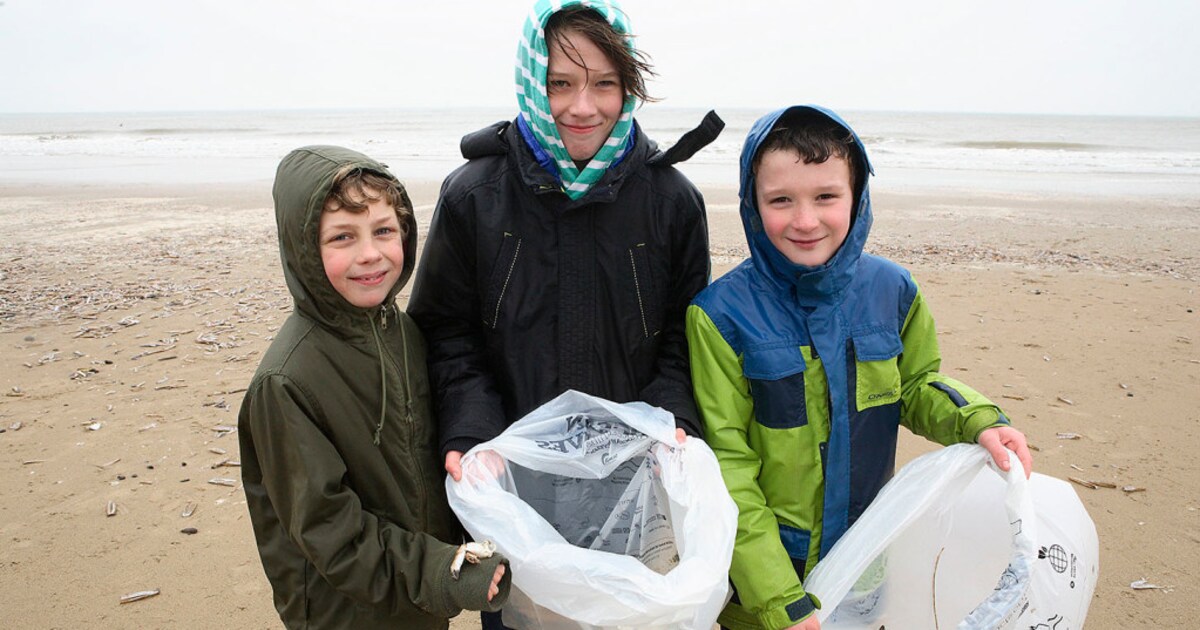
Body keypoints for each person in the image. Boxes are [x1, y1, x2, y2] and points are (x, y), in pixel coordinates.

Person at [686, 106, 1034, 630]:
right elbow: (728, 469)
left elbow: (917, 385)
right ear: (752, 206)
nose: (805, 221)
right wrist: (780, 600)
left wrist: (980, 421)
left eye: (826, 196)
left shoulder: (893, 292)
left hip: (865, 563)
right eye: (781, 200)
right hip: (764, 585)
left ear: (858, 196)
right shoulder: (719, 316)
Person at [409, 1, 720, 493]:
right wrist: (472, 427)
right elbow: (446, 331)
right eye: (560, 83)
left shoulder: (673, 202)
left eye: (604, 83)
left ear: (627, 88)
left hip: (635, 473)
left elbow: (684, 340)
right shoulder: (472, 196)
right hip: (504, 465)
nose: (582, 107)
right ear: (533, 82)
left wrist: (673, 419)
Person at [238, 145, 510, 630]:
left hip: (416, 602)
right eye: (342, 237)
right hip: (346, 613)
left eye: (384, 231)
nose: (370, 254)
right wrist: (442, 571)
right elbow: (331, 531)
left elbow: (420, 464)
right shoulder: (286, 383)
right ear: (303, 250)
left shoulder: (402, 333)